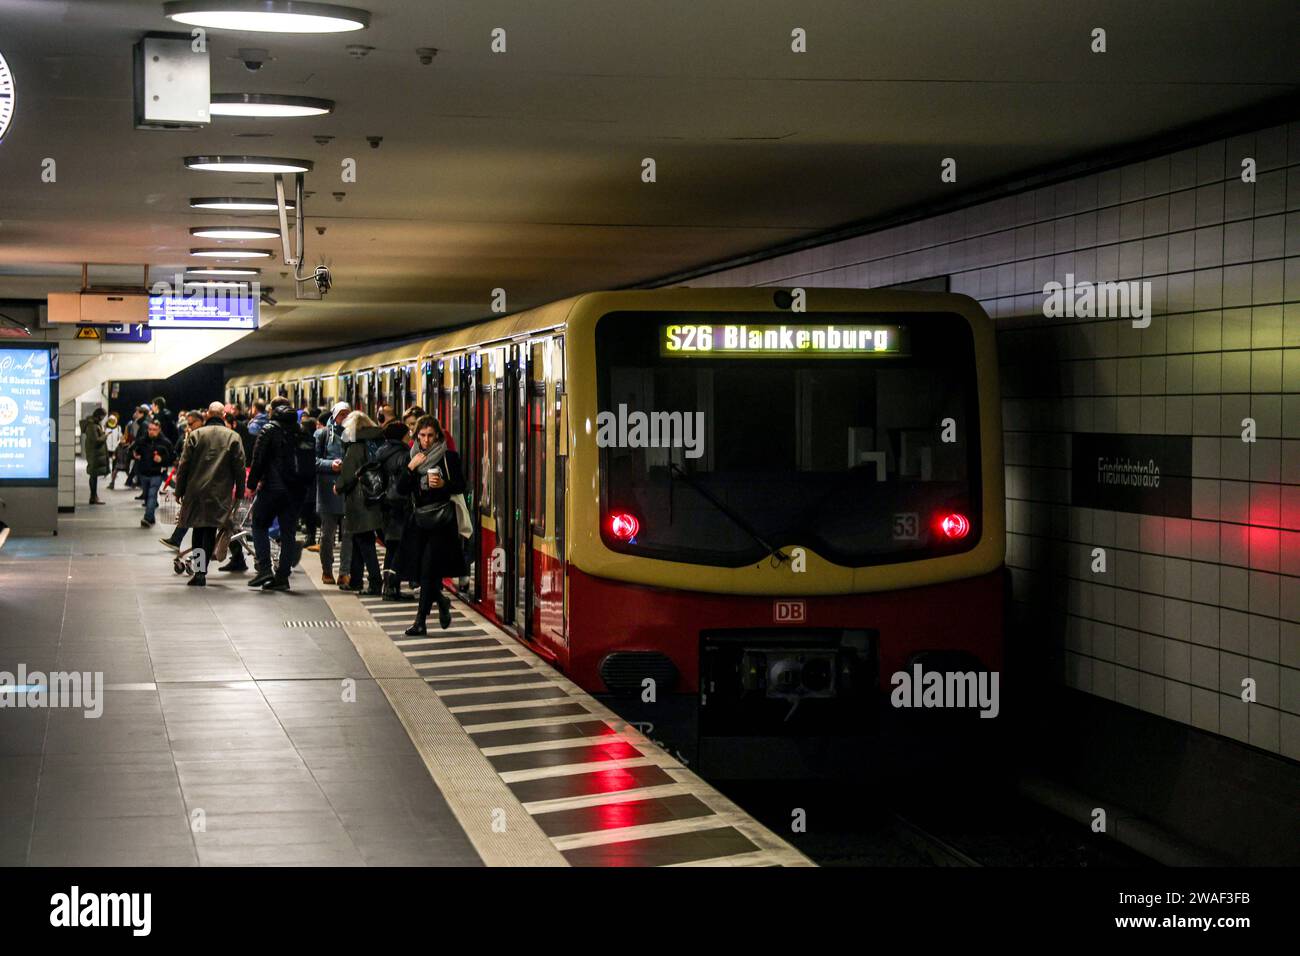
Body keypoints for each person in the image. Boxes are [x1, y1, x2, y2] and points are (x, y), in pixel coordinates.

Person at [398, 416, 467, 634]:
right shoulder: (411, 457)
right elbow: (401, 489)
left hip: (441, 522)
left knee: (429, 570)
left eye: (430, 435)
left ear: (437, 435)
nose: (426, 440)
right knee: (419, 572)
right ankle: (442, 602)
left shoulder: (448, 457)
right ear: (417, 436)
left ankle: (420, 622)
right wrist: (410, 468)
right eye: (422, 436)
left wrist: (444, 484)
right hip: (418, 521)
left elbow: (460, 486)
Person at [175, 402, 246, 587]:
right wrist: (239, 491)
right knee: (210, 531)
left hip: (195, 491)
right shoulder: (233, 437)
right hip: (220, 492)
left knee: (198, 531)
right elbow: (239, 467)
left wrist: (179, 489)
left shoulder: (196, 435)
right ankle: (202, 570)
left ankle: (199, 572)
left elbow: (184, 465)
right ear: (223, 414)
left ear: (207, 414)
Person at [246, 398, 306, 591]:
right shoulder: (301, 432)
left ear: (273, 413)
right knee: (288, 533)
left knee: (259, 525)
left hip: (272, 488)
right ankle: (282, 576)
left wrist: (251, 484)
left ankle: (264, 569)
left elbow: (258, 459)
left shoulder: (269, 430)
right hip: (296, 491)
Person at [334, 411, 384, 595]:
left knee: (365, 542)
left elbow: (348, 475)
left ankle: (375, 582)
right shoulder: (378, 443)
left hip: (360, 500)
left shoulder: (356, 447)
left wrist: (338, 487)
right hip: (375, 497)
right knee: (358, 540)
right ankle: (356, 580)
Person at [313, 402, 353, 586]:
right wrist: (331, 465)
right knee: (327, 534)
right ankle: (326, 570)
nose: (344, 418)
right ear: (334, 415)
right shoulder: (322, 435)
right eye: (341, 414)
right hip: (328, 491)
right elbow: (313, 461)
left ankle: (344, 571)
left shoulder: (354, 435)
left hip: (348, 490)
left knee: (347, 534)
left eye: (348, 414)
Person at [376, 419, 415, 601]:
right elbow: (405, 482)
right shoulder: (404, 454)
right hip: (399, 505)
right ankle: (392, 588)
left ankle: (389, 587)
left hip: (384, 505)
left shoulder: (381, 451)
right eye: (408, 434)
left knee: (391, 547)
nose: (410, 437)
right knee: (397, 548)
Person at [131, 419, 173, 528]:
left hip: (157, 473)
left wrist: (162, 459)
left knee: (152, 495)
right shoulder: (142, 441)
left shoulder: (165, 443)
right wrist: (135, 455)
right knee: (147, 495)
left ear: (159, 430)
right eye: (149, 429)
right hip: (143, 472)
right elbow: (134, 450)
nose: (151, 432)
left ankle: (147, 518)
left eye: (154, 430)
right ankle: (151, 517)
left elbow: (172, 458)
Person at [81, 408, 109, 505]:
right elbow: (96, 441)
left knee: (94, 475)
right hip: (94, 454)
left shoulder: (94, 424)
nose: (103, 418)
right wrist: (105, 436)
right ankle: (93, 497)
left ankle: (94, 496)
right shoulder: (92, 425)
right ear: (99, 415)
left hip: (95, 454)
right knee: (93, 475)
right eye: (103, 416)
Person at [104, 414, 125, 489]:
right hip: (108, 448)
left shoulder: (118, 428)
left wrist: (120, 442)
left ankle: (113, 475)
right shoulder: (106, 428)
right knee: (107, 460)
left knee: (115, 463)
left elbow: (120, 436)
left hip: (115, 448)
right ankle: (107, 472)